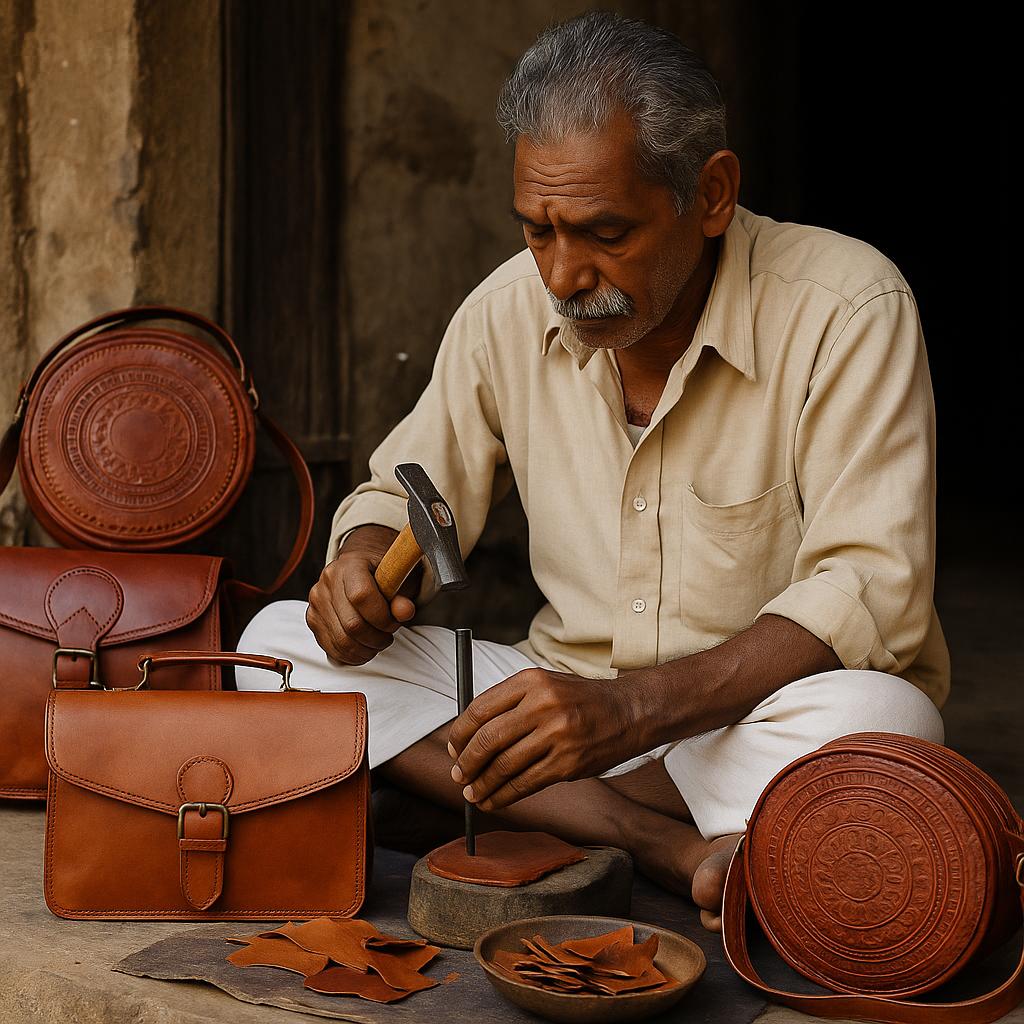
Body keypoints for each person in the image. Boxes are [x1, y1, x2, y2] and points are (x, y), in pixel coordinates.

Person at [238, 11, 947, 930]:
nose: (565, 274)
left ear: (713, 193)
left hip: (746, 717)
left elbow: (867, 588)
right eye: (537, 230)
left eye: (605, 231)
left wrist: (633, 712)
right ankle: (665, 844)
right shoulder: (505, 309)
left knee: (886, 723)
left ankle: (506, 797)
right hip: (559, 708)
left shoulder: (847, 307)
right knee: (274, 647)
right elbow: (404, 488)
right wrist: (360, 564)